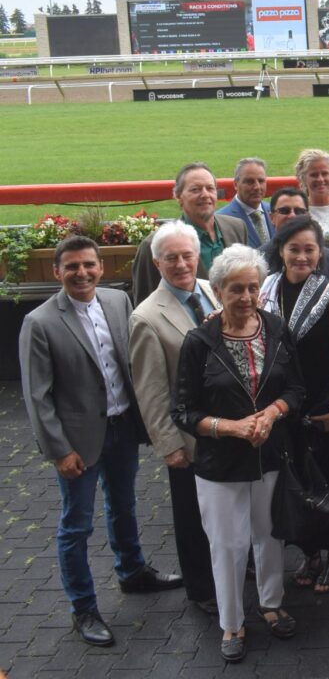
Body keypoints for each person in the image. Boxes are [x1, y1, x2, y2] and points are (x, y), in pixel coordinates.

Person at [20, 236, 183, 648]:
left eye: (89, 265)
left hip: (122, 426)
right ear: (57, 272)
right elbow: (38, 397)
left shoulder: (117, 301)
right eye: (72, 267)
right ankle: (84, 608)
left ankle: (133, 572)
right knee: (76, 526)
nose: (82, 273)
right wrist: (59, 451)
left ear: (101, 267)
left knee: (124, 505)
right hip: (78, 443)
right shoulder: (39, 322)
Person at [171, 244, 306, 662]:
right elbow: (183, 411)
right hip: (220, 464)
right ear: (218, 291)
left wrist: (273, 412)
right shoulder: (199, 342)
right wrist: (231, 428)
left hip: (270, 455)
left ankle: (271, 603)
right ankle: (231, 622)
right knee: (227, 545)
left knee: (269, 535)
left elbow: (296, 388)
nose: (246, 297)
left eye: (252, 288)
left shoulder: (276, 329)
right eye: (236, 289)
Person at [259, 216, 329, 595]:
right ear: (280, 251)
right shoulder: (266, 288)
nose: (301, 256)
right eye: (293, 249)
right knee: (294, 479)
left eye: (309, 249)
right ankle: (310, 551)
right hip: (282, 405)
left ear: (320, 253)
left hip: (321, 402)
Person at [129, 222, 219, 614]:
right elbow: (151, 390)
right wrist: (169, 446)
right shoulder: (146, 317)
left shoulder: (214, 290)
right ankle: (202, 589)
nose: (181, 264)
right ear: (156, 263)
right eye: (171, 258)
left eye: (187, 255)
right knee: (192, 516)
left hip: (227, 428)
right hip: (188, 438)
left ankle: (233, 570)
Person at [132, 162, 249, 306]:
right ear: (178, 196)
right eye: (195, 190)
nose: (205, 195)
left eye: (210, 188)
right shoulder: (153, 245)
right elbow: (144, 305)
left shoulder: (237, 228)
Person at [259, 186, 329, 281]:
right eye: (284, 211)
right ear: (272, 217)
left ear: (308, 215)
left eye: (299, 211)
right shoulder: (259, 259)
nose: (292, 215)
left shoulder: (327, 256)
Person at [216, 157, 273, 248]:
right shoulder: (220, 220)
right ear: (235, 184)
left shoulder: (276, 211)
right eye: (250, 182)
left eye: (261, 181)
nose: (257, 187)